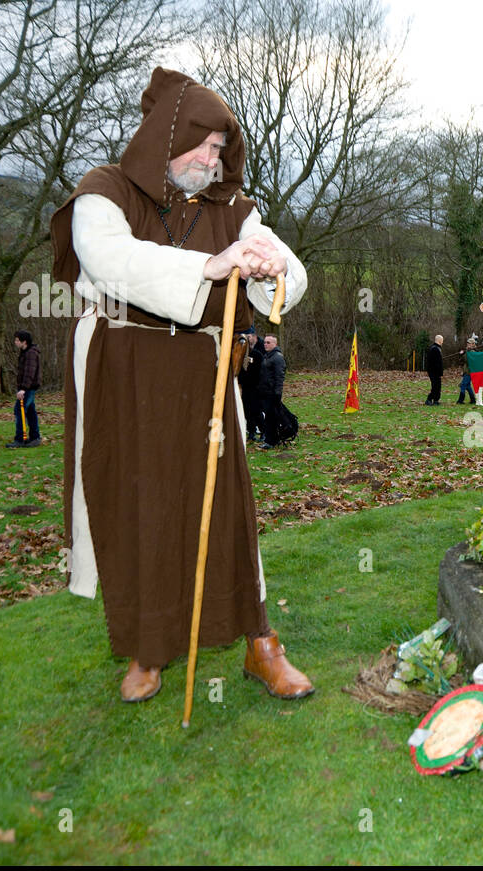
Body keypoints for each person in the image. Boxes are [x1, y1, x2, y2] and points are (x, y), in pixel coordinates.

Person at [49, 67, 314, 704]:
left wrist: (268, 264)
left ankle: (259, 641)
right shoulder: (104, 192)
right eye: (199, 144)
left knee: (228, 504)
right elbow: (110, 259)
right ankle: (148, 647)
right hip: (125, 370)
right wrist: (209, 265)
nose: (210, 158)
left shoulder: (232, 208)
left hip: (202, 373)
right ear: (162, 136)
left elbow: (290, 277)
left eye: (220, 148)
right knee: (140, 504)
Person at [7, 330, 42, 448]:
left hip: (28, 388)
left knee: (19, 410)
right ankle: (35, 437)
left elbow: (29, 372)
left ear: (24, 342)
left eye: (17, 340)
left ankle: (20, 438)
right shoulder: (24, 352)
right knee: (31, 412)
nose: (15, 342)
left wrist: (23, 389)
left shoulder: (31, 353)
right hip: (26, 387)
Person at [256, 333, 286, 448]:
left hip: (272, 393)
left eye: (268, 343)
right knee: (269, 417)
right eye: (264, 342)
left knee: (271, 417)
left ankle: (271, 441)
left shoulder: (277, 357)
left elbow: (280, 376)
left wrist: (277, 393)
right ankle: (271, 439)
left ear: (275, 344)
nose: (265, 344)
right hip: (265, 392)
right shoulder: (267, 356)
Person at [237, 328, 266, 442]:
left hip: (255, 387)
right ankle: (251, 431)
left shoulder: (257, 355)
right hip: (245, 387)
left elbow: (260, 372)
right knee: (247, 410)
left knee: (256, 410)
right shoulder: (240, 356)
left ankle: (263, 431)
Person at [456, 334, 478, 404]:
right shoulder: (468, 351)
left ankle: (460, 400)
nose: (467, 344)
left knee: (463, 385)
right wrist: (461, 354)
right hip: (466, 371)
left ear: (472, 344)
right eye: (467, 343)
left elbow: (468, 361)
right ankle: (473, 400)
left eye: (469, 343)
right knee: (468, 386)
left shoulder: (472, 352)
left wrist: (464, 354)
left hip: (469, 372)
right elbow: (462, 360)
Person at [425, 334, 443, 405]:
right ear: (439, 340)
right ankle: (429, 399)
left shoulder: (434, 348)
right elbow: (436, 362)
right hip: (434, 372)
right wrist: (439, 371)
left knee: (437, 386)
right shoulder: (435, 349)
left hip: (434, 371)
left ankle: (436, 400)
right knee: (435, 386)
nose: (442, 342)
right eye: (442, 340)